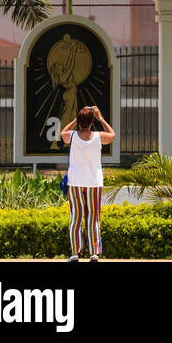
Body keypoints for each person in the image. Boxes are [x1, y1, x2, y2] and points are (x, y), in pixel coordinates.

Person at [60, 104, 114, 261]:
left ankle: (75, 253)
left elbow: (63, 132)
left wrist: (74, 120)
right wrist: (101, 118)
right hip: (94, 182)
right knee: (93, 217)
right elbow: (112, 134)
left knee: (75, 217)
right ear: (92, 121)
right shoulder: (98, 137)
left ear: (79, 121)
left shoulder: (72, 136)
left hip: (75, 181)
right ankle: (94, 252)